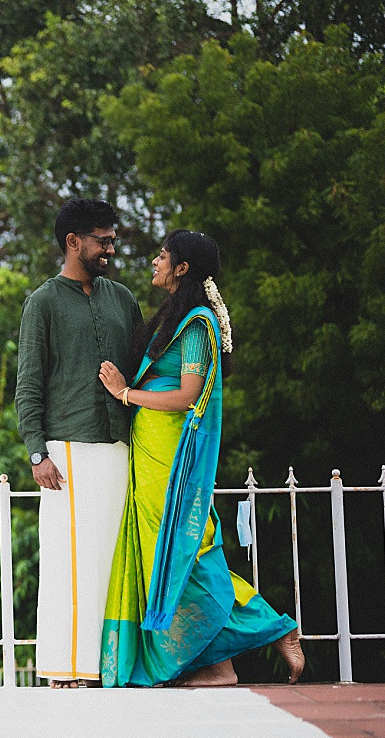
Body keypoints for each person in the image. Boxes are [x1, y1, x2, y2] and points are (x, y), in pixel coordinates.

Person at [97, 229, 304, 687]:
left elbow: (189, 395)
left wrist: (124, 393)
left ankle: (270, 628)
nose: (155, 261)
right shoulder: (173, 317)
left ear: (183, 268)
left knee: (187, 551)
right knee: (171, 556)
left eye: (163, 256)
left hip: (174, 455)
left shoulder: (196, 323)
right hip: (151, 452)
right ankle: (222, 664)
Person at [16, 198, 144, 688]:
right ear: (74, 242)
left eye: (113, 238)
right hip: (65, 450)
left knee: (112, 559)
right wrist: (37, 452)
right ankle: (64, 669)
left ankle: (110, 665)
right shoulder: (42, 302)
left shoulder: (122, 298)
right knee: (68, 562)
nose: (110, 247)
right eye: (102, 239)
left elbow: (141, 372)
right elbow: (28, 383)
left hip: (119, 446)